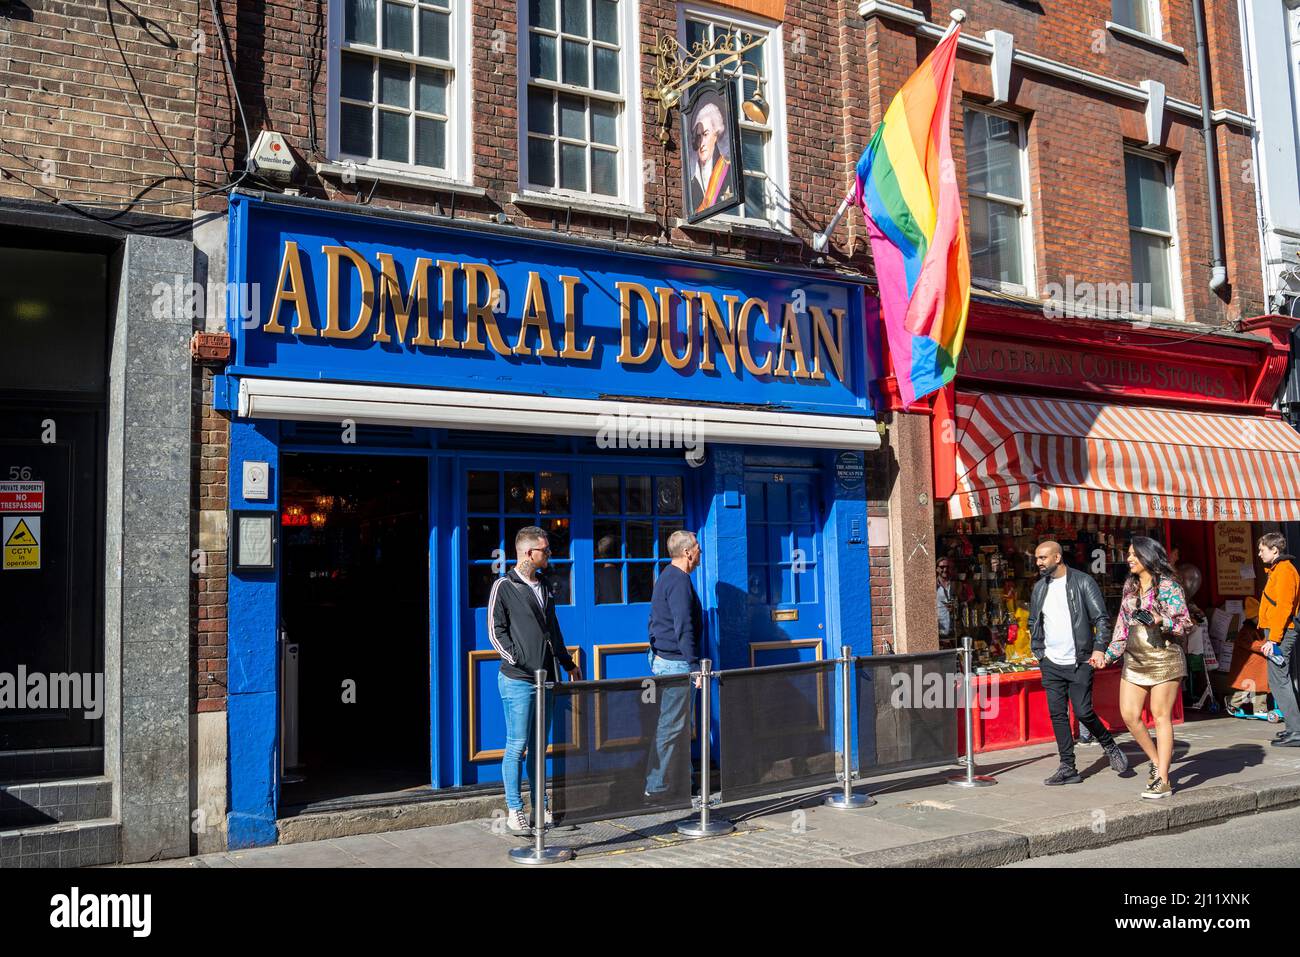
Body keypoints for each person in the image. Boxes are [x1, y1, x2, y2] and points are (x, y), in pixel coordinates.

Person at [489, 525, 581, 833]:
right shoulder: (503, 586)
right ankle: (515, 809)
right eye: (546, 550)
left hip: (546, 678)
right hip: (517, 680)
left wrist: (566, 661)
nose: (550, 555)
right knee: (517, 745)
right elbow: (495, 631)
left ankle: (540, 807)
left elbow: (552, 629)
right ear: (529, 552)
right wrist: (518, 659)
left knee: (539, 747)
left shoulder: (545, 585)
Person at [1029, 540, 1130, 785]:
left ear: (1057, 558)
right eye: (1037, 559)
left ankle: (1108, 744)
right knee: (1058, 714)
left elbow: (1102, 619)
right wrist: (1039, 651)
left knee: (1083, 711)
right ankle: (1068, 767)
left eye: (1043, 558)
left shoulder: (1084, 582)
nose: (1039, 563)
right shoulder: (1039, 588)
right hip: (1051, 661)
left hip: (1080, 660)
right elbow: (1034, 621)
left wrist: (1098, 650)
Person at [1098, 536, 1192, 798]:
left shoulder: (1169, 586)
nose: (1129, 559)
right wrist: (1108, 655)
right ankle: (1156, 761)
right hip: (1135, 658)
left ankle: (1163, 779)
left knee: (1160, 715)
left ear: (1148, 557)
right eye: (1128, 554)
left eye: (1133, 555)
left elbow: (1185, 624)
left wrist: (1160, 620)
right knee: (1129, 715)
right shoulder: (1131, 587)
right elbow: (1121, 626)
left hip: (1164, 657)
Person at [644, 529, 704, 799]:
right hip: (677, 663)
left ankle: (683, 781)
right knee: (671, 725)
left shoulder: (667, 576)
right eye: (698, 547)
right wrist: (694, 666)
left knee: (677, 724)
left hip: (665, 659)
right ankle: (656, 785)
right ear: (687, 552)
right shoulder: (679, 581)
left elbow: (654, 621)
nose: (700, 552)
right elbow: (683, 627)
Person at [1256, 532, 1300, 745]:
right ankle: (1293, 727)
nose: (1258, 554)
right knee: (1282, 679)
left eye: (1262, 550)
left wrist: (1273, 639)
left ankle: (1296, 730)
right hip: (1278, 631)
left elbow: (1283, 607)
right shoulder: (1277, 570)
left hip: (1280, 632)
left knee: (1279, 681)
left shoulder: (1283, 571)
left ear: (1275, 550)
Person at [687, 101, 735, 214]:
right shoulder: (691, 178)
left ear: (716, 135)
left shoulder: (728, 170)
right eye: (698, 137)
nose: (701, 143)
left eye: (706, 134)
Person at [936, 558, 957, 643]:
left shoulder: (955, 584)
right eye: (942, 567)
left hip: (954, 629)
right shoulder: (933, 585)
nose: (945, 569)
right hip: (939, 630)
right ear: (937, 569)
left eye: (947, 567)